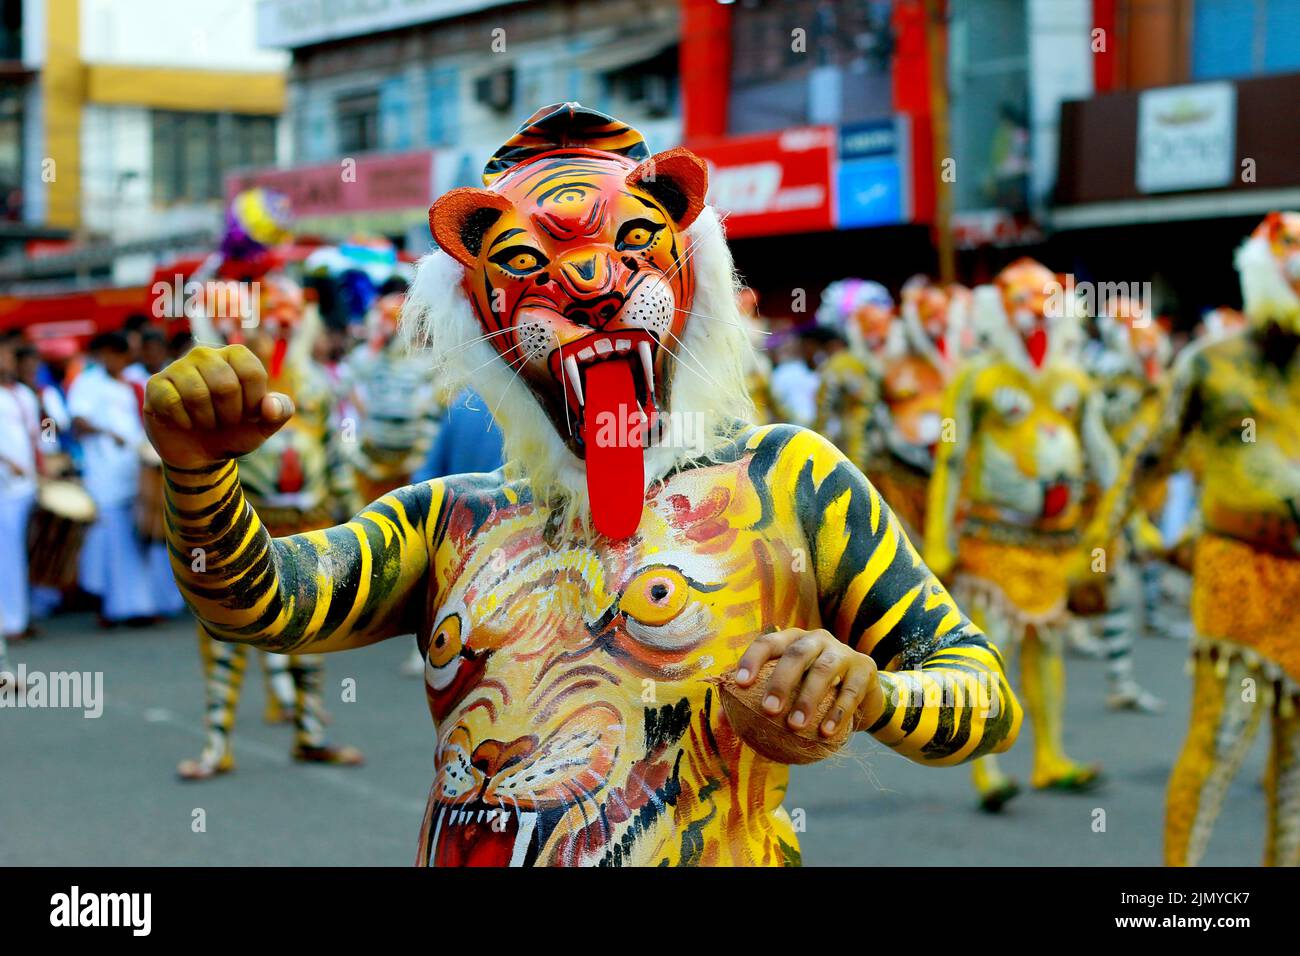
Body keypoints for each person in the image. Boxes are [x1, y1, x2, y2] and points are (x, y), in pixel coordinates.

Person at [143, 103, 1020, 866]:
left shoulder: (789, 480)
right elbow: (255, 602)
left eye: (634, 243)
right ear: (477, 317)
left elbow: (981, 697)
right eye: (528, 265)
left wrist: (869, 694)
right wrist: (197, 472)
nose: (592, 285)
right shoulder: (449, 518)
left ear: (692, 277)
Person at [1091, 212, 1300, 865]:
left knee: (1296, 766)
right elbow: (1150, 456)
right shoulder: (1209, 366)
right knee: (1218, 743)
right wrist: (1101, 542)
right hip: (1237, 572)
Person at [926, 258, 1118, 811]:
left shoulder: (1074, 379)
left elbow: (1101, 454)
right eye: (1022, 301)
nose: (1035, 312)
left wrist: (1128, 522)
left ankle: (1050, 756)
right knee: (991, 649)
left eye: (1045, 301)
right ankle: (986, 765)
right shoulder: (975, 377)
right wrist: (939, 539)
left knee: (1050, 646)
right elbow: (950, 458)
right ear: (997, 307)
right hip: (994, 535)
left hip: (1055, 539)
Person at [174, 275, 364, 781]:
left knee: (309, 635)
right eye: (264, 322)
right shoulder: (231, 391)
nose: (274, 333)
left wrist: (359, 515)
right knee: (224, 632)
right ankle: (217, 742)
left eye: (285, 322)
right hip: (242, 527)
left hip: (310, 526)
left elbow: (334, 458)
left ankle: (311, 733)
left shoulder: (316, 388)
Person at [66, 332, 156, 627]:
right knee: (111, 544)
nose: (115, 360)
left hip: (132, 474)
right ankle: (114, 608)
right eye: (110, 354)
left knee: (135, 541)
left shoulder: (133, 383)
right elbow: (77, 422)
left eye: (120, 355)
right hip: (105, 479)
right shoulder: (87, 383)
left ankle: (138, 604)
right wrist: (106, 432)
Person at [0, 333, 41, 688]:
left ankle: (17, 621)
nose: (8, 361)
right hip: (3, 489)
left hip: (25, 487)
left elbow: (42, 434)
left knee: (18, 559)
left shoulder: (26, 395)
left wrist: (45, 465)